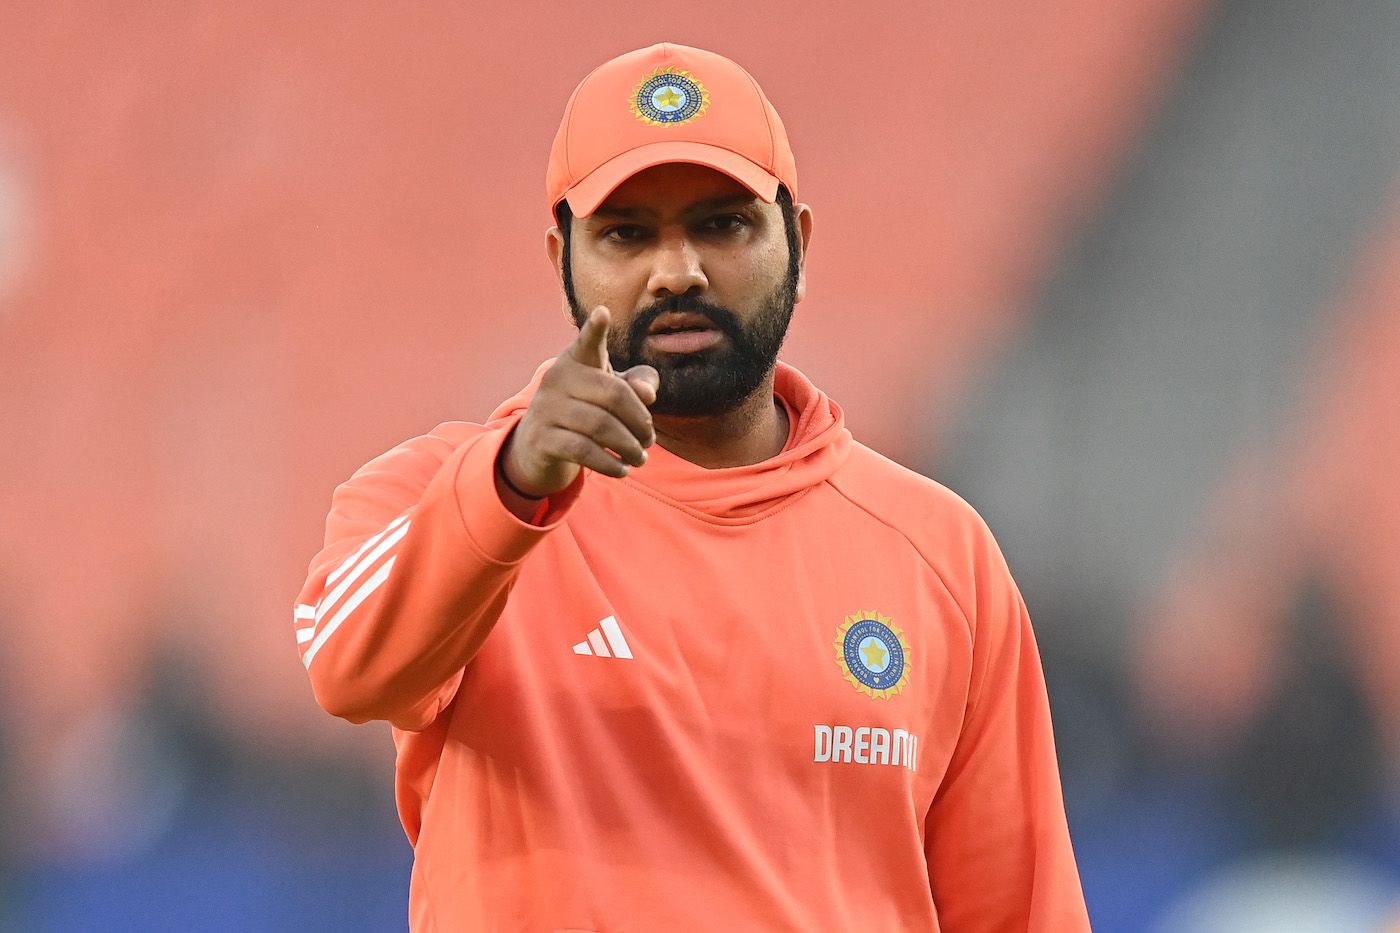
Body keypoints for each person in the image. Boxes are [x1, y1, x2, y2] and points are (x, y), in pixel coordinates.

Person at [293, 42, 1089, 931]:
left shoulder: (941, 554)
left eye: (723, 223)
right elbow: (346, 666)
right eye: (627, 232)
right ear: (563, 257)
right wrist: (512, 484)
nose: (678, 270)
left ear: (800, 240)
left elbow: (1018, 909)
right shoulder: (445, 492)